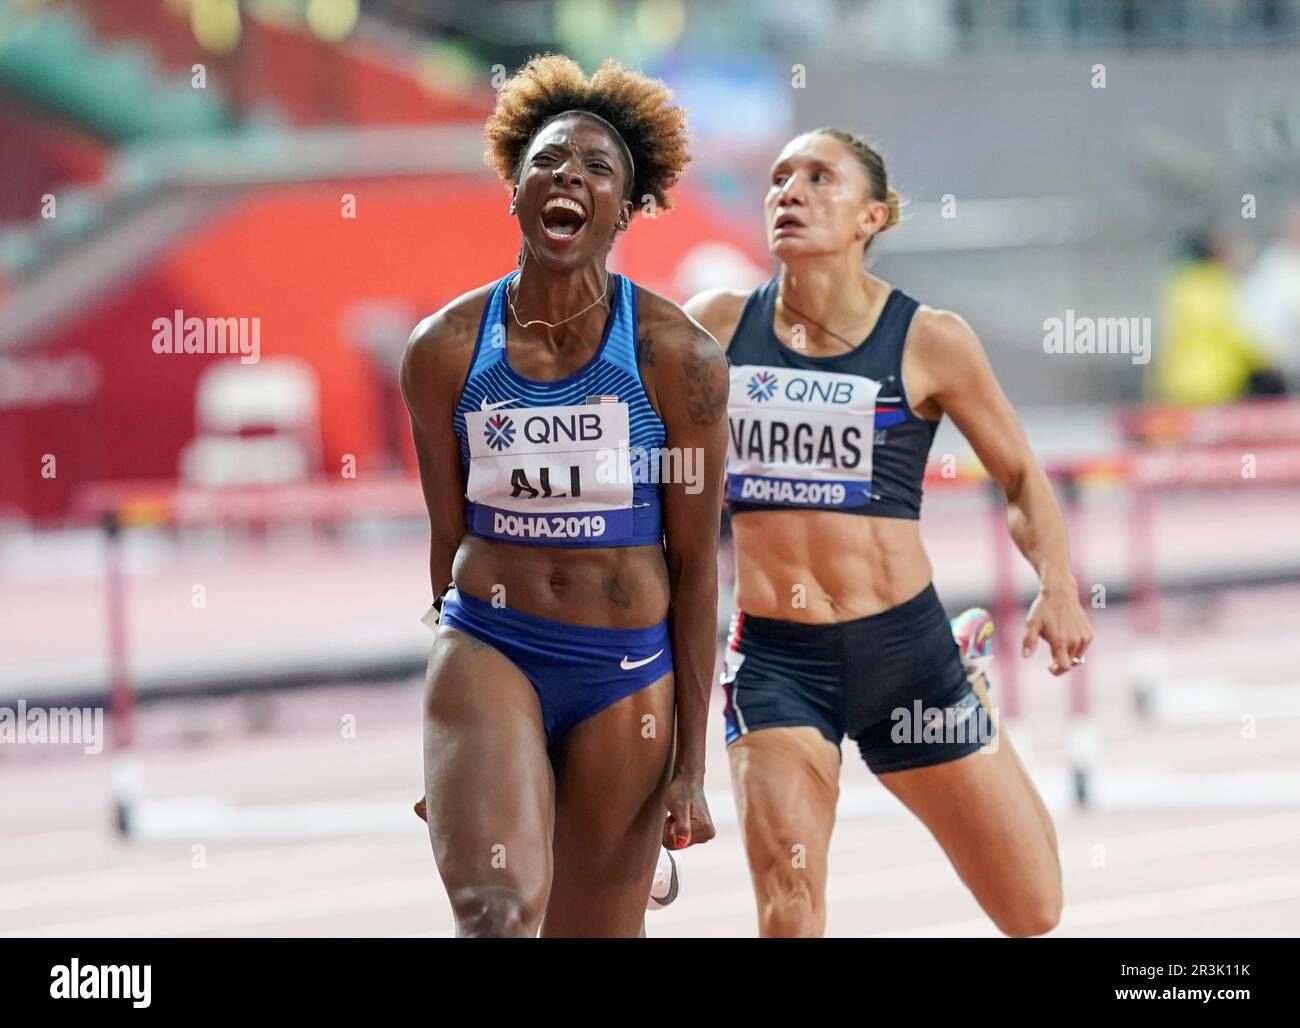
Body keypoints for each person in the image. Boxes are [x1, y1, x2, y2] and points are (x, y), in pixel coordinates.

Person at [685, 128, 1094, 937]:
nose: (788, 193)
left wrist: (1057, 585)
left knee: (1033, 910)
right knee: (789, 912)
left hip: (907, 656)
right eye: (777, 179)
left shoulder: (930, 340)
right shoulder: (714, 330)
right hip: (775, 661)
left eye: (818, 178)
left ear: (873, 217)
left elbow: (1018, 478)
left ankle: (968, 679)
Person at [401, 54, 728, 937]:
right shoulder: (444, 351)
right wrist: (455, 751)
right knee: (496, 913)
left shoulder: (676, 358)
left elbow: (697, 570)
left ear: (625, 208)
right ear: (513, 186)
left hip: (624, 677)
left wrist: (692, 766)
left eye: (596, 168)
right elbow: (447, 538)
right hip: (489, 647)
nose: (568, 177)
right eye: (548, 161)